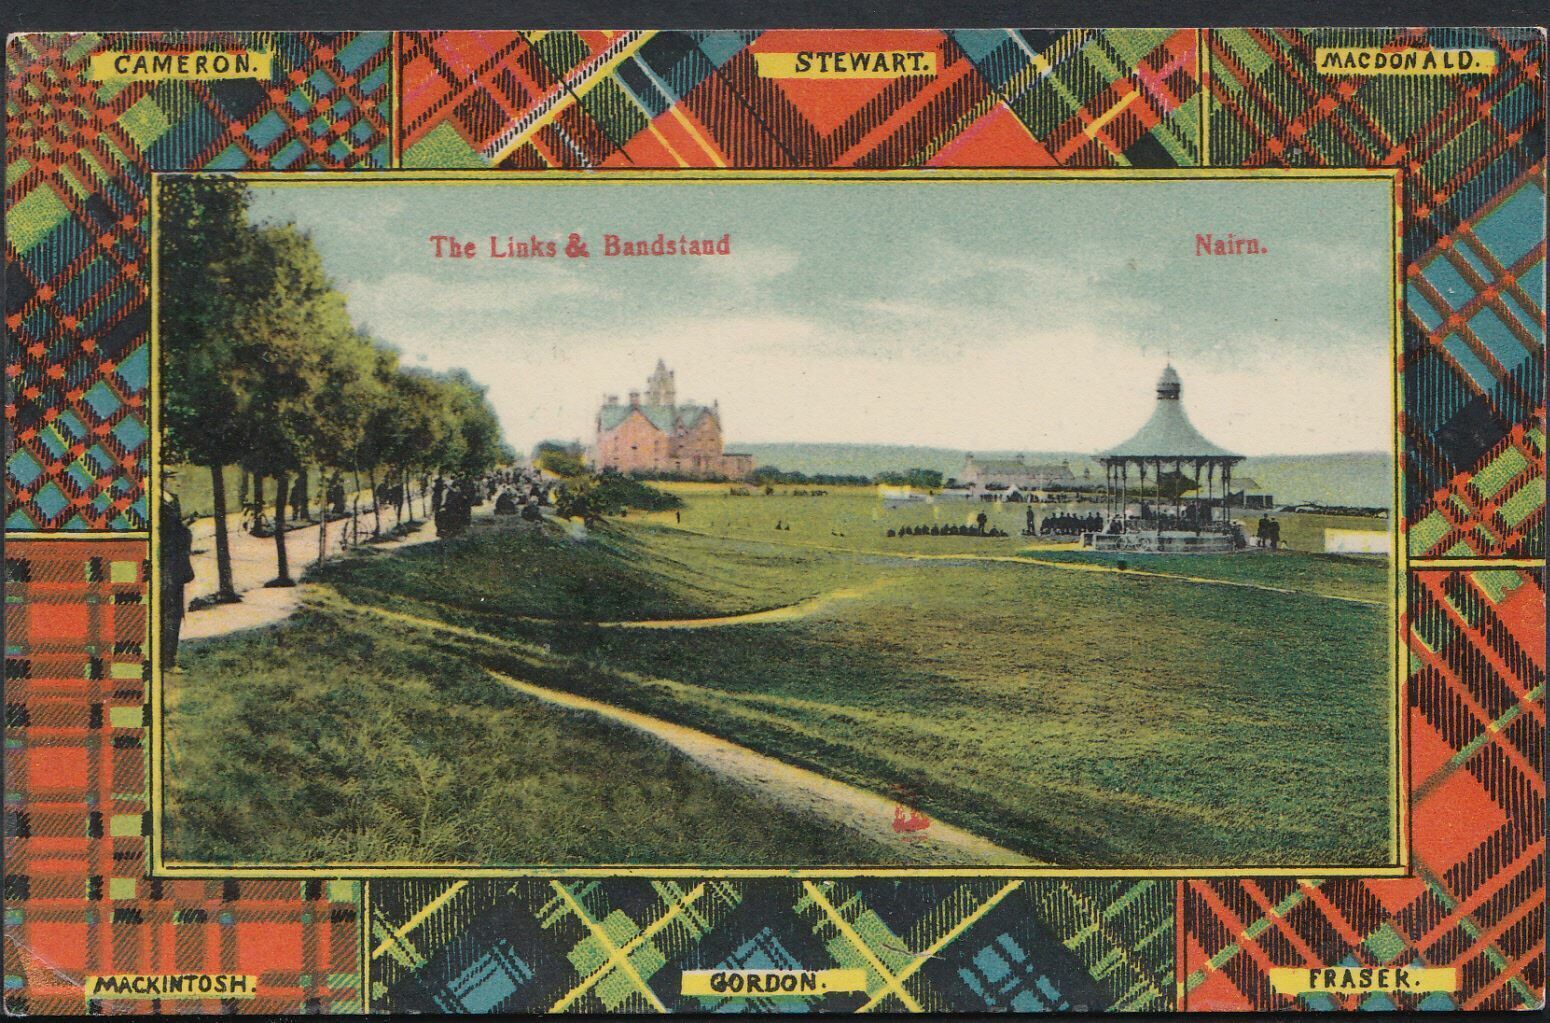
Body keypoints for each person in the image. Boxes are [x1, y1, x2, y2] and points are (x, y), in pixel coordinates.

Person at [159, 490, 195, 672]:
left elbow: (176, 530)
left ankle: (168, 659)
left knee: (173, 612)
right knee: (166, 612)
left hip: (175, 564)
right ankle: (165, 661)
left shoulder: (171, 496)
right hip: (162, 564)